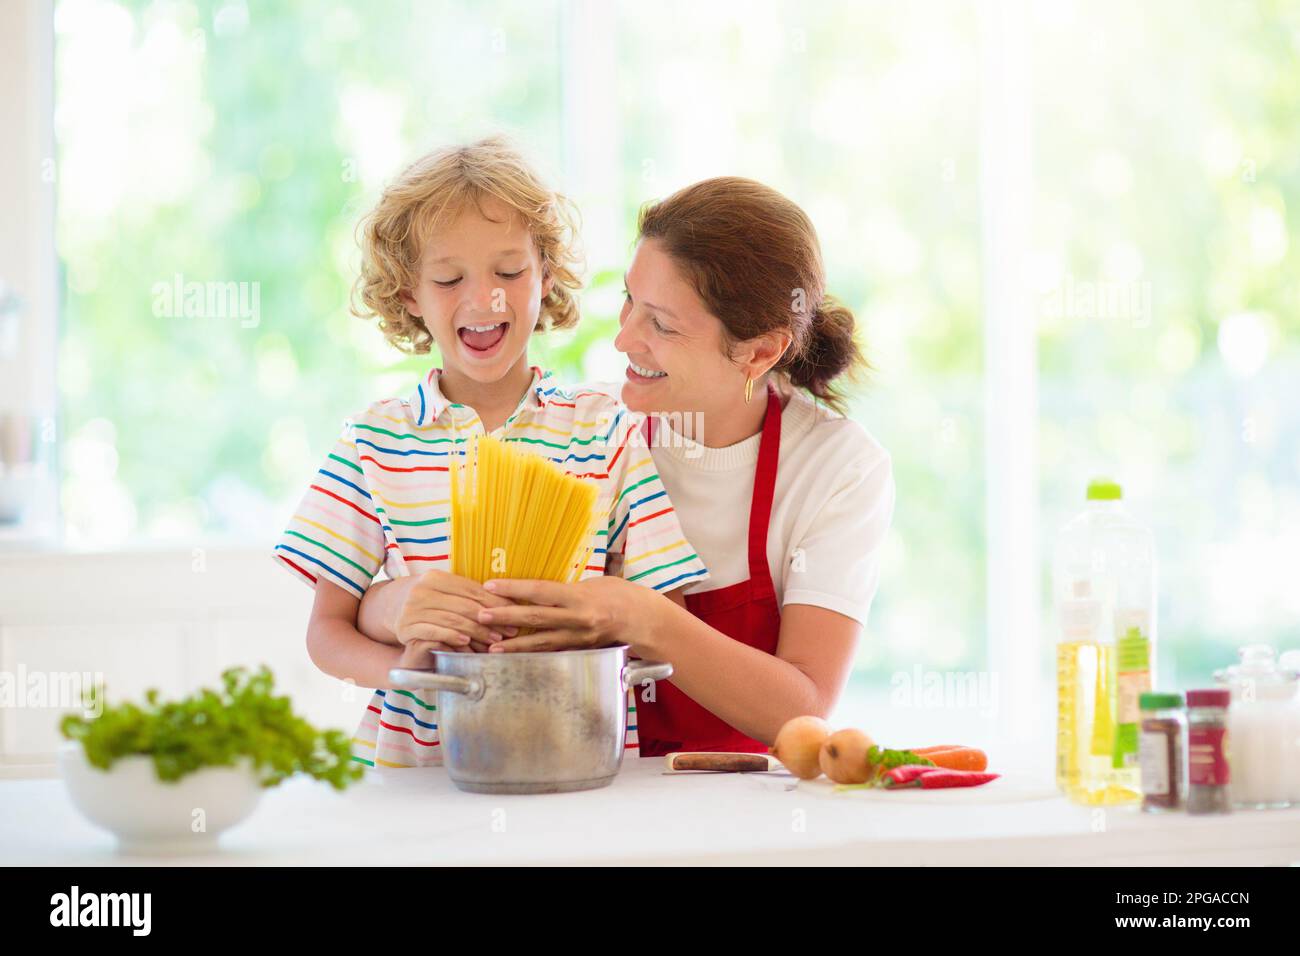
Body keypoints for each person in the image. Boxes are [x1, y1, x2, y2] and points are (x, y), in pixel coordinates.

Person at [361, 176, 895, 756]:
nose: (622, 341)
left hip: (742, 814)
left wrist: (642, 617)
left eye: (661, 325)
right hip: (588, 792)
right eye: (628, 301)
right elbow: (426, 594)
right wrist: (397, 604)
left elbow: (804, 710)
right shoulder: (582, 431)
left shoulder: (838, 467)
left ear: (761, 351)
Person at [271, 138, 707, 768]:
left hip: (570, 756)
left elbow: (664, 621)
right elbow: (326, 634)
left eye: (509, 273)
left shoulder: (606, 431)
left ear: (546, 279)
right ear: (409, 297)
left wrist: (586, 630)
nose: (485, 300)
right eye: (449, 279)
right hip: (414, 775)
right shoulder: (374, 441)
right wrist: (409, 668)